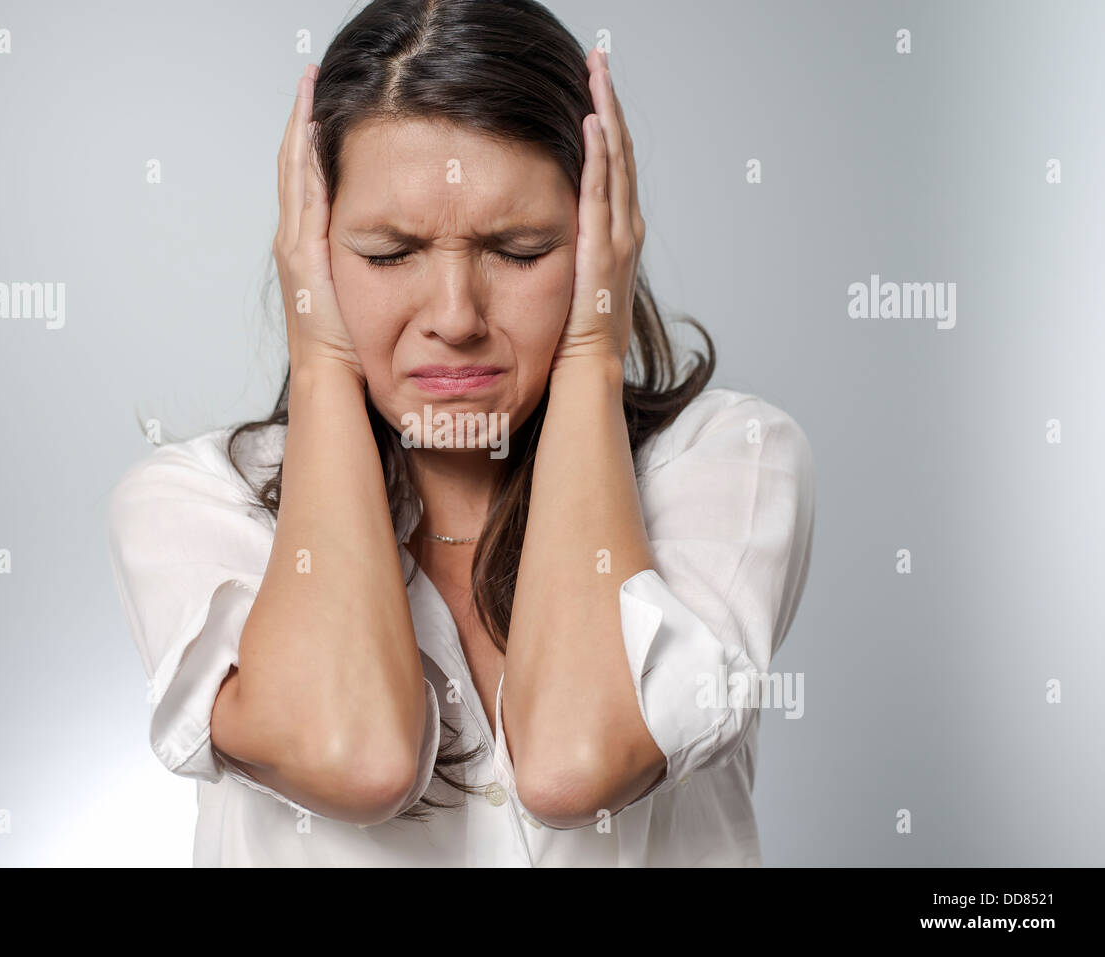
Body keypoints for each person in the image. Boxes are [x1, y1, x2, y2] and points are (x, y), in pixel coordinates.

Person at [107, 0, 815, 866]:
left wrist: (593, 343)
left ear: (604, 240)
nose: (455, 317)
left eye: (518, 250)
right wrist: (324, 357)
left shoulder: (728, 459)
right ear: (313, 248)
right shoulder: (192, 503)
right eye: (386, 253)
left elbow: (572, 765)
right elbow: (354, 754)